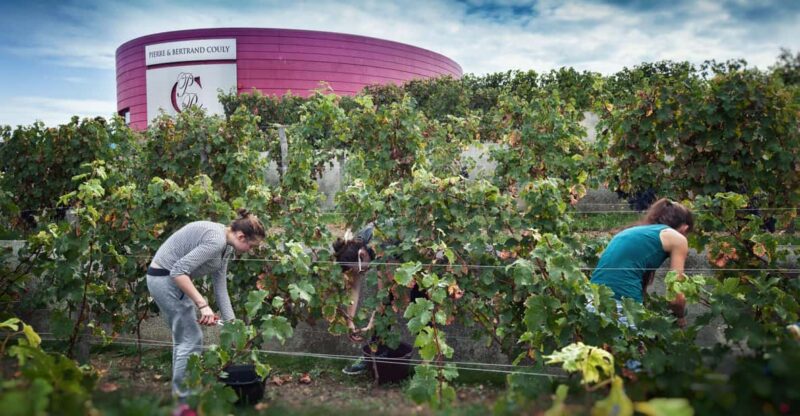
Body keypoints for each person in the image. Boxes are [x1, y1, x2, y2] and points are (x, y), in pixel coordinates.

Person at [146, 209, 265, 400]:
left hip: (173, 283)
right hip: (164, 280)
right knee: (191, 339)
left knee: (185, 339)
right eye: (251, 246)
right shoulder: (215, 240)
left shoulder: (225, 246)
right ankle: (184, 403)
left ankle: (182, 398)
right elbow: (178, 271)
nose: (250, 251)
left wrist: (233, 325)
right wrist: (203, 305)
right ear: (241, 236)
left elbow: (220, 287)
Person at [590, 198, 693, 327]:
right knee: (629, 346)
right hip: (622, 308)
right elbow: (676, 298)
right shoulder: (678, 239)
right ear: (685, 228)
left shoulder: (633, 232)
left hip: (592, 302)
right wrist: (680, 317)